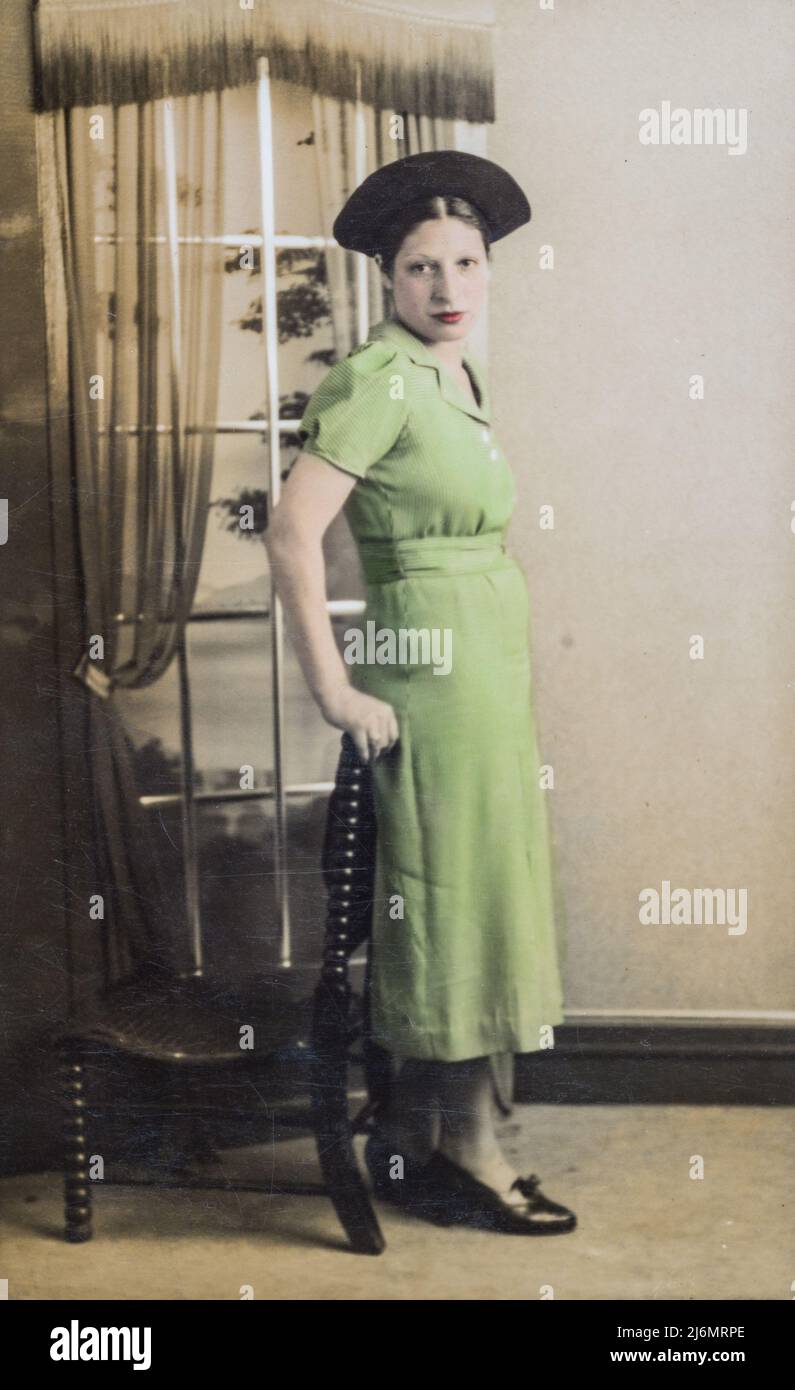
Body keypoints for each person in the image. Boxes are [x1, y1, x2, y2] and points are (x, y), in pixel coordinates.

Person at [264, 151, 575, 1235]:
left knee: (480, 893)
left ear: (487, 271)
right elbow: (292, 531)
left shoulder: (457, 376)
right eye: (419, 269)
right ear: (387, 282)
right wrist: (336, 688)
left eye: (464, 264)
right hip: (429, 678)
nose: (446, 288)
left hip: (488, 673)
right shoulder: (380, 377)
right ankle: (473, 1154)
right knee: (447, 903)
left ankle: (419, 1141)